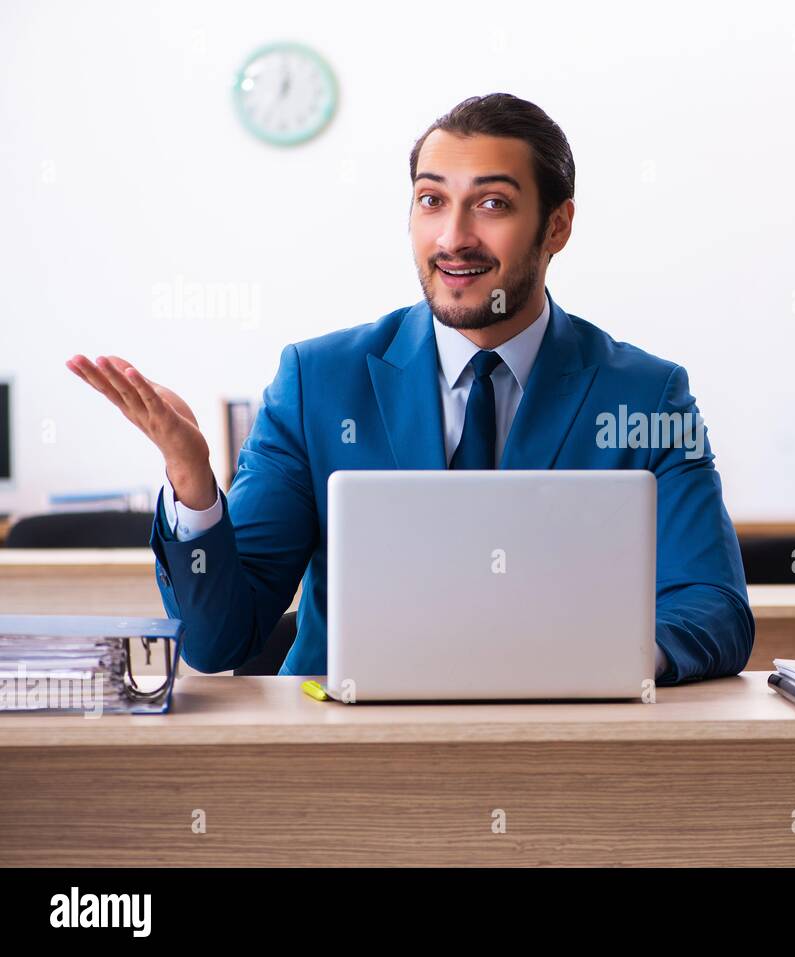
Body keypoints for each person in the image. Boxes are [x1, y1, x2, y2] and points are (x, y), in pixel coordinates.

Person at [66, 93, 753, 684]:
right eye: (431, 200)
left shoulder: (647, 395)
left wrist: (603, 662)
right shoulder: (318, 382)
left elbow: (713, 609)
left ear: (558, 226)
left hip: (563, 744)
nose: (454, 237)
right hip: (343, 756)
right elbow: (221, 640)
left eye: (492, 203)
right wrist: (192, 483)